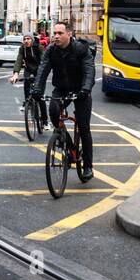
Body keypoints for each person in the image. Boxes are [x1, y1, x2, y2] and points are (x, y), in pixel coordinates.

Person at [30, 21, 97, 181]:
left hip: (81, 89)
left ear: (69, 34)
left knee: (83, 127)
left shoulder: (81, 49)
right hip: (61, 88)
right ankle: (69, 146)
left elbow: (89, 71)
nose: (56, 36)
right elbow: (43, 70)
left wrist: (85, 89)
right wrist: (37, 90)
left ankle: (87, 166)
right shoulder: (51, 50)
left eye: (60, 33)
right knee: (53, 112)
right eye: (55, 33)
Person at [9, 33, 45, 130]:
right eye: (24, 39)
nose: (26, 41)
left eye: (28, 39)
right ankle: (27, 102)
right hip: (29, 69)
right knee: (26, 82)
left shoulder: (39, 48)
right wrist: (15, 74)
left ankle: (45, 121)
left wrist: (41, 75)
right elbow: (19, 60)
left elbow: (43, 61)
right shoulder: (22, 49)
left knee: (39, 96)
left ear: (32, 40)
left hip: (39, 70)